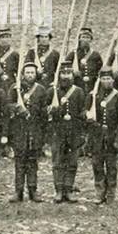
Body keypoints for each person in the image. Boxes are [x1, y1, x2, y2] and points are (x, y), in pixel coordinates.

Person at [8, 62, 49, 202]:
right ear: (23, 74)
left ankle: (33, 190)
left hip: (34, 130)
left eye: (32, 72)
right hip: (19, 129)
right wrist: (17, 108)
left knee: (32, 162)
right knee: (19, 162)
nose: (30, 75)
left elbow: (44, 111)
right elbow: (8, 105)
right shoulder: (15, 88)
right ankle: (18, 191)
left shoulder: (41, 89)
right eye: (27, 73)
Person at [48, 61, 86, 202]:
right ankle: (58, 190)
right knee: (57, 161)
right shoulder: (53, 91)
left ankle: (68, 189)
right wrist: (51, 110)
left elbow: (83, 109)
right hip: (58, 131)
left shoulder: (79, 91)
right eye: (63, 73)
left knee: (72, 161)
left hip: (74, 131)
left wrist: (84, 116)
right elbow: (45, 111)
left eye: (68, 73)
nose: (66, 76)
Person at [87, 68, 118, 204]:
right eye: (103, 79)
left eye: (109, 78)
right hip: (97, 136)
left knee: (111, 166)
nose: (106, 81)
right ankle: (99, 192)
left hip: (111, 135)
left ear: (113, 80)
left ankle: (110, 194)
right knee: (97, 164)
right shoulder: (94, 95)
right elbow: (87, 115)